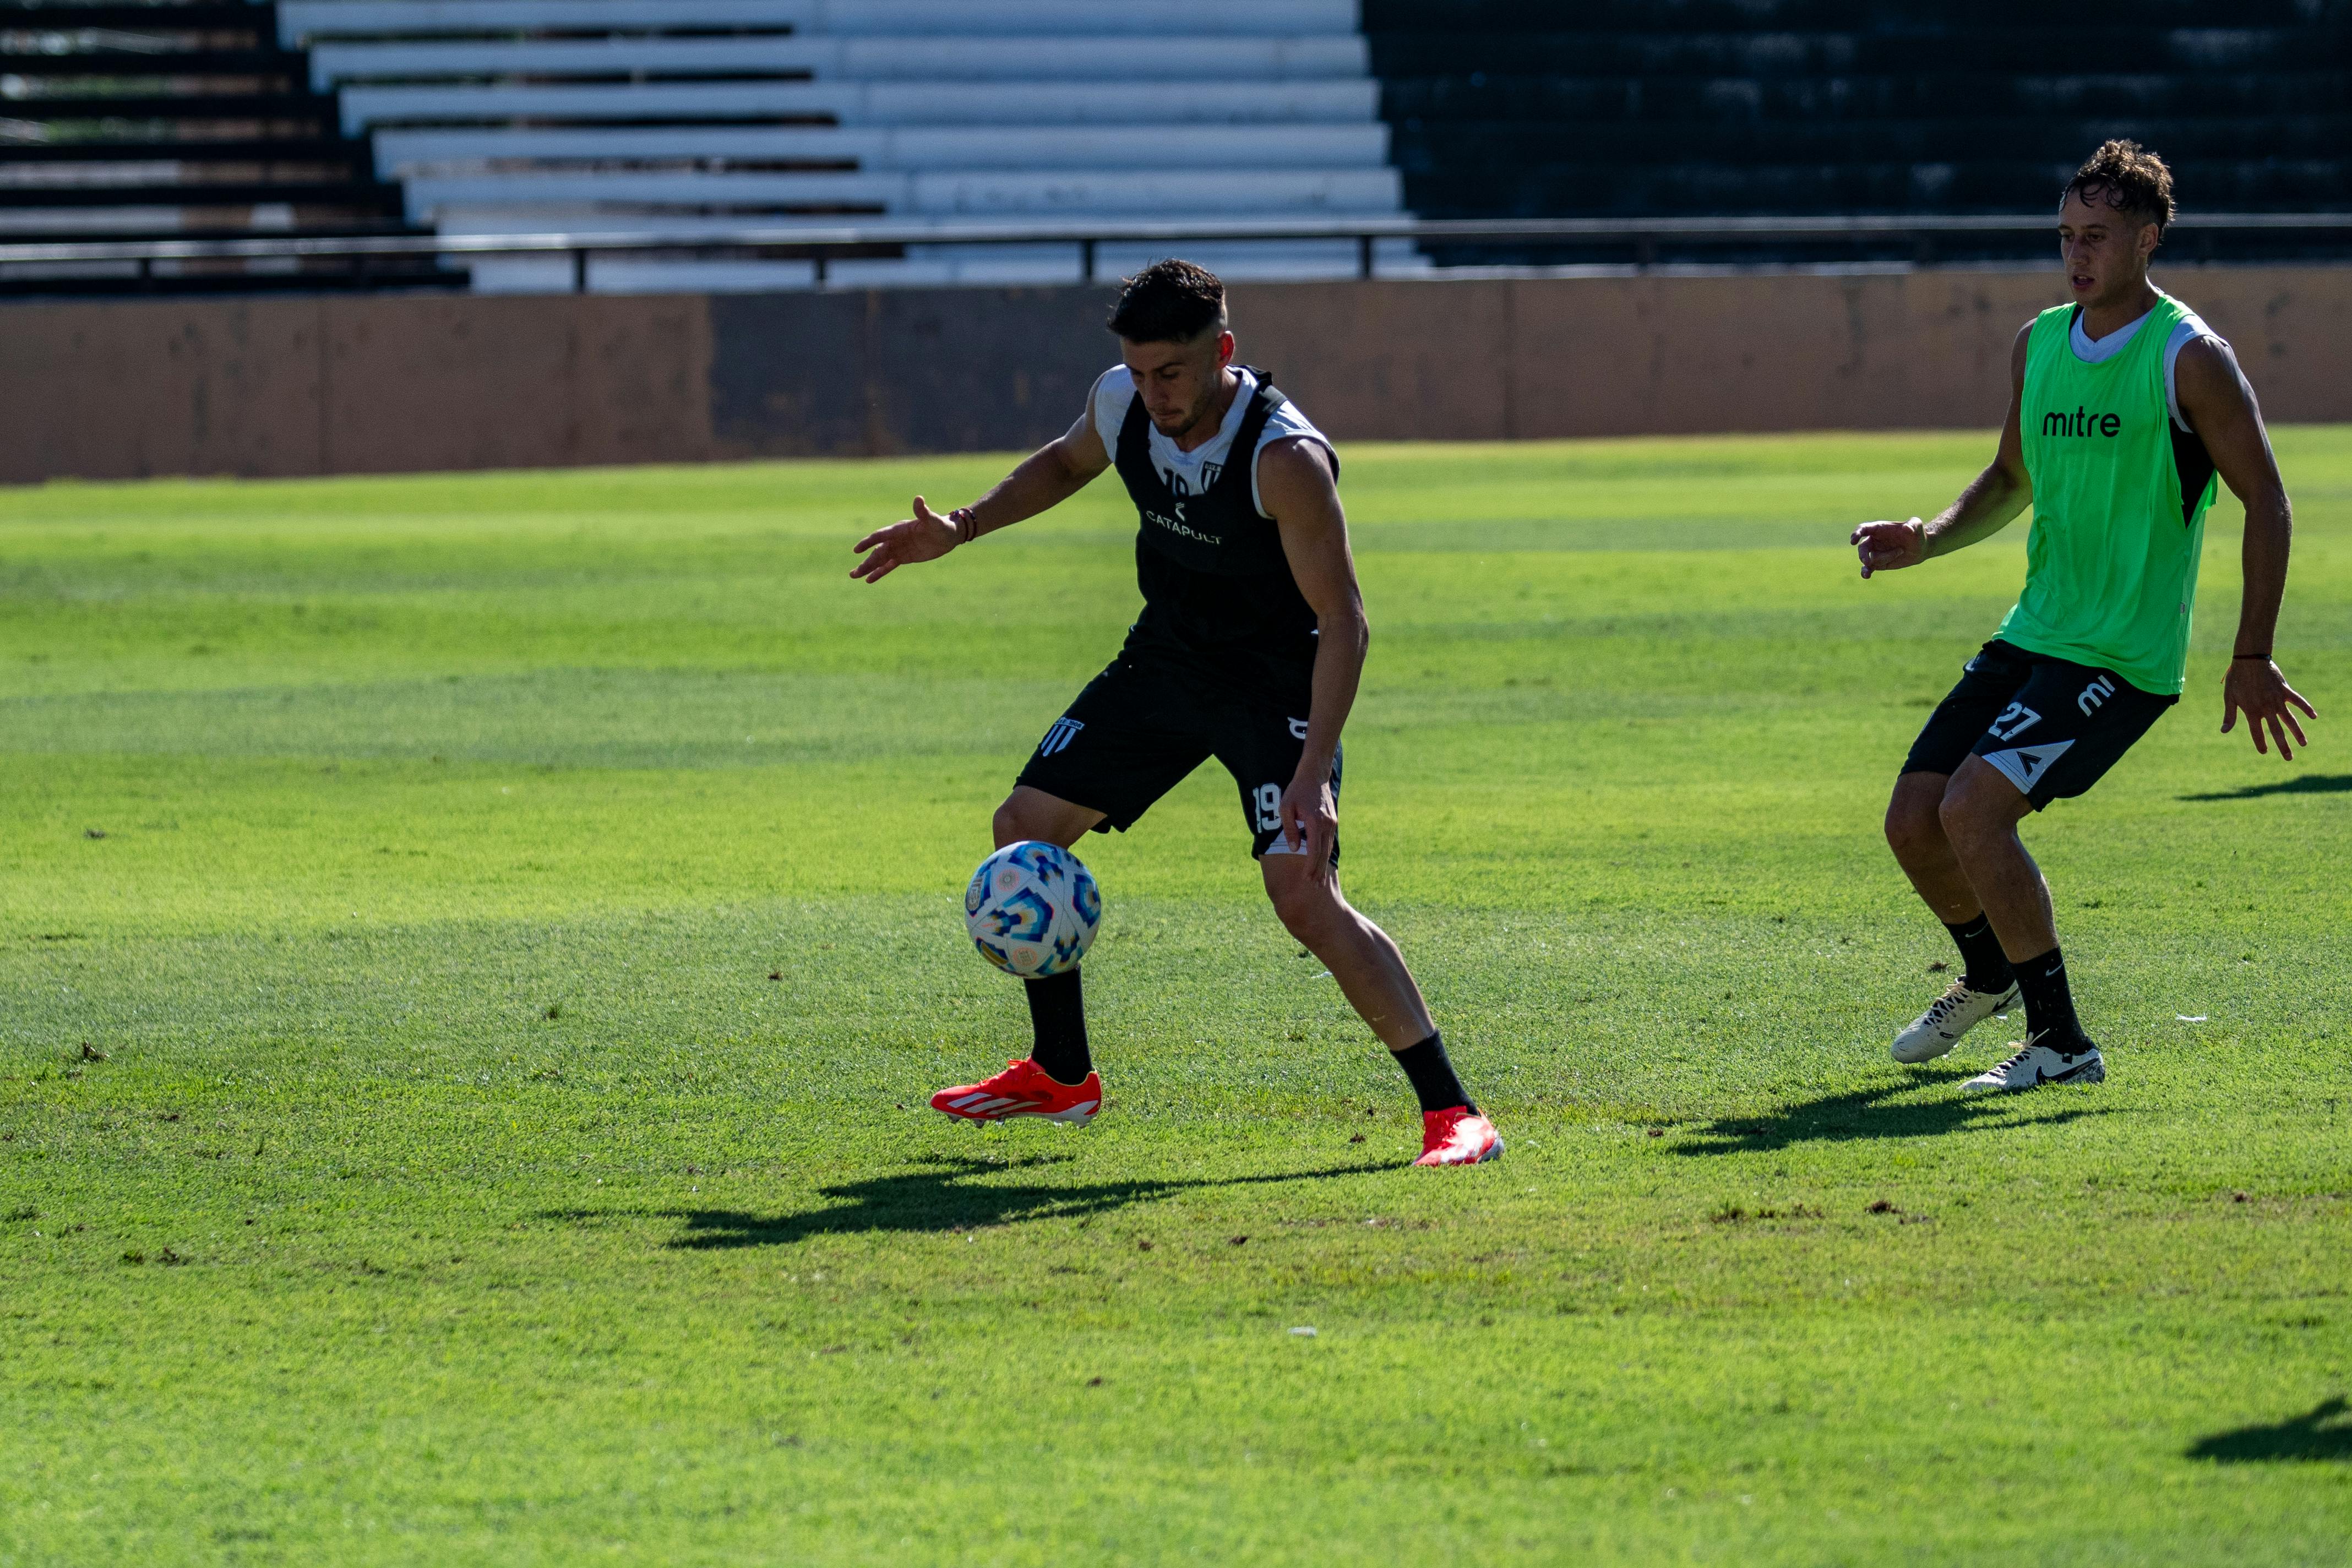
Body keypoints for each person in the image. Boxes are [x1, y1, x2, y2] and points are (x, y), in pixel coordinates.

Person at [850, 260, 1503, 1166]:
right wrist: (961, 526)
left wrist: (1312, 773)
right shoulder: (1121, 401)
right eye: (1140, 371)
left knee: (1303, 894)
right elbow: (1067, 462)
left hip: (1276, 683)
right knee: (1024, 828)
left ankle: (1454, 1113)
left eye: (1172, 373)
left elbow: (1344, 620)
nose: (1153, 394)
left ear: (1222, 352)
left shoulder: (1284, 459)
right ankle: (1062, 1075)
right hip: (1168, 660)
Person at [1851, 140, 2315, 1092]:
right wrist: (1926, 537)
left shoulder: (2190, 358)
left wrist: (2253, 653)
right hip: (2034, 633)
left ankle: (2062, 1043)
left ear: (2147, 240)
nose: (2076, 254)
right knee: (1913, 821)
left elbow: (2267, 500)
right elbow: (2010, 476)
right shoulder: (2041, 343)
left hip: (2122, 656)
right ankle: (1989, 975)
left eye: (2097, 236)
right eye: (2066, 235)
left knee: (1974, 811)